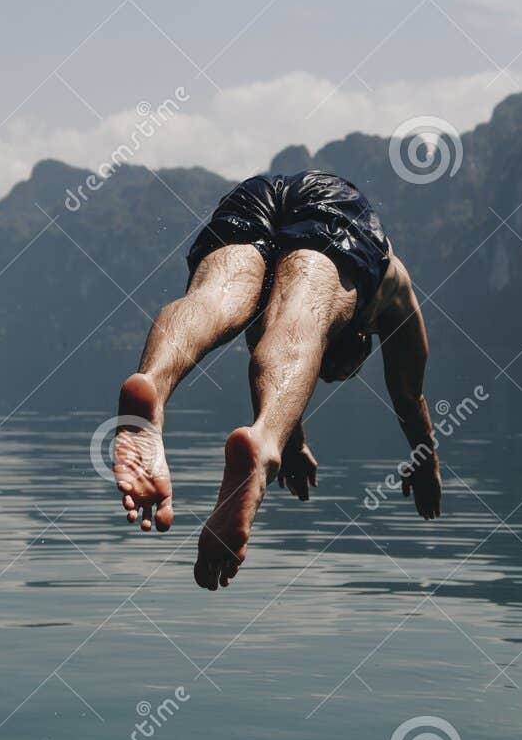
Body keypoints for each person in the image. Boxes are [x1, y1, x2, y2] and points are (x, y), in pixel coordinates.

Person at [113, 171, 441, 590]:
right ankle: (265, 442)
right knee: (305, 315)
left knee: (217, 297)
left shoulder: (275, 327)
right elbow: (409, 397)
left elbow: (271, 356)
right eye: (334, 368)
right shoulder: (393, 299)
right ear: (361, 339)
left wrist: (295, 439)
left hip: (253, 195)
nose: (326, 375)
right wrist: (425, 459)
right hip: (332, 203)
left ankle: (153, 384)